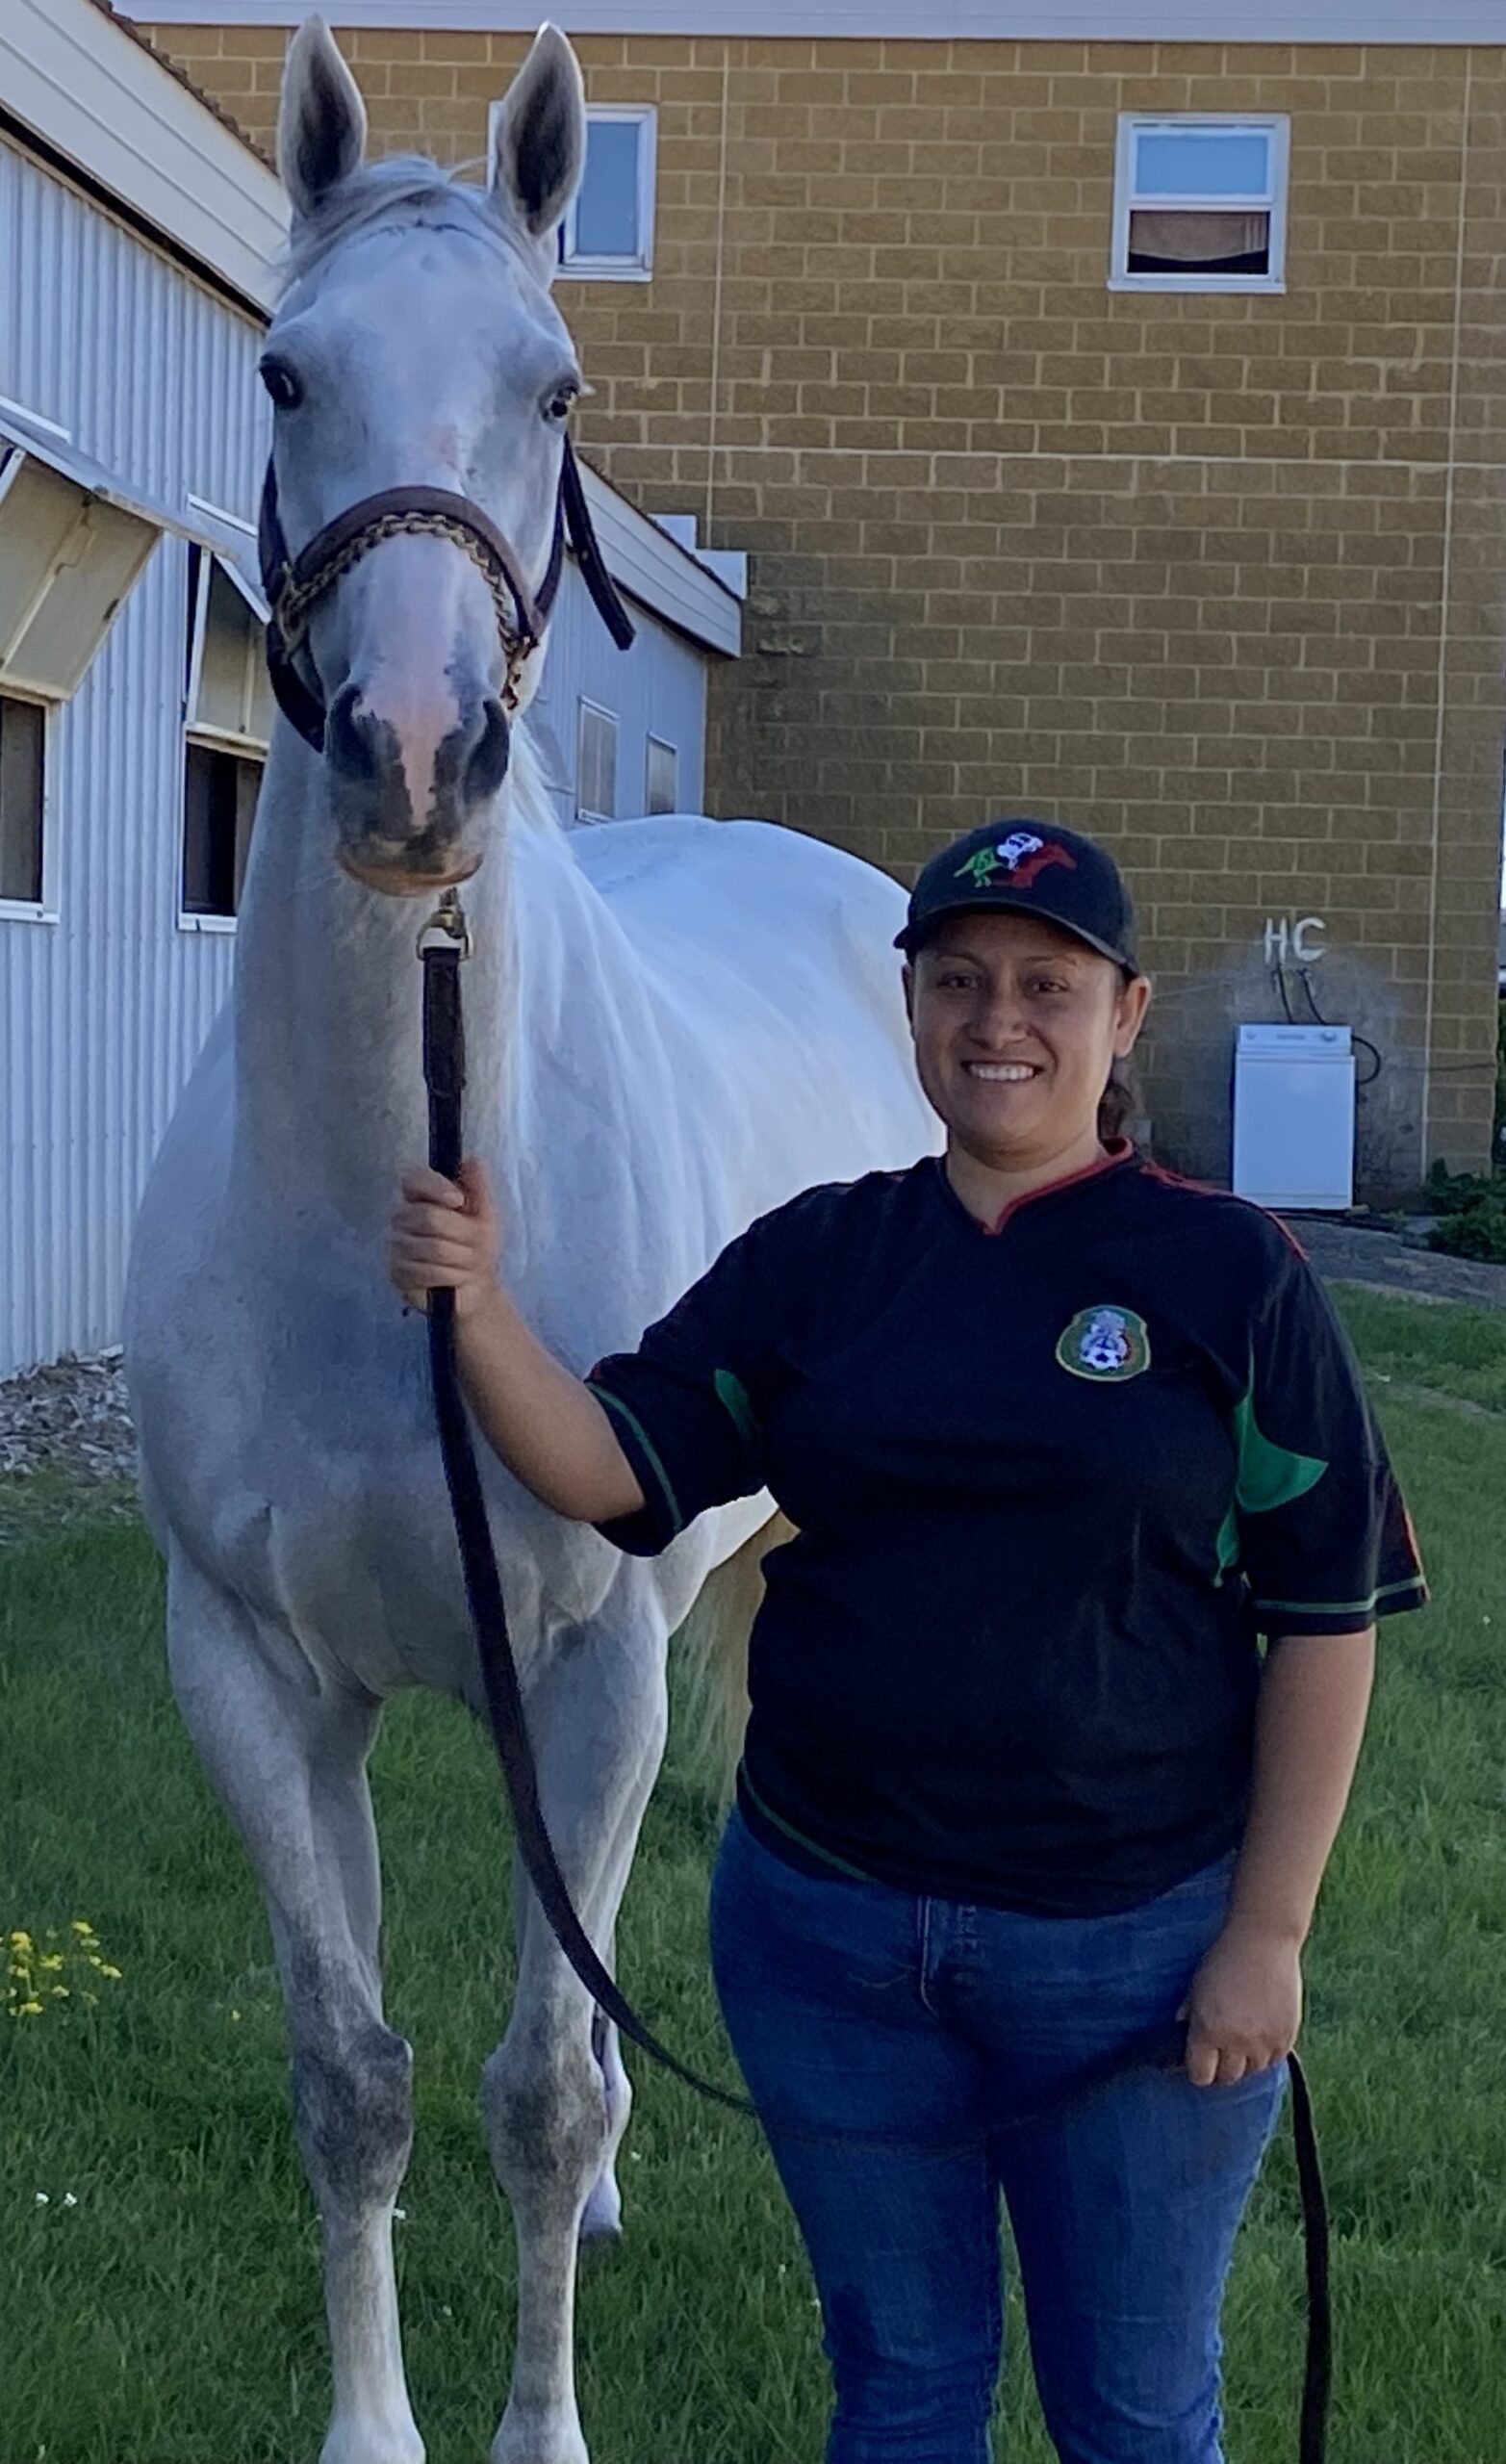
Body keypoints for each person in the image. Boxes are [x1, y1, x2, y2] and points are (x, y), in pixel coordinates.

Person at [388, 818, 1426, 2464]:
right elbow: (616, 1471)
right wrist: (476, 1304)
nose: (996, 1020)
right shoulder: (822, 1255)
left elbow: (1324, 1617)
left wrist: (1266, 1934)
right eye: (956, 981)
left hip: (1130, 1954)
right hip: (828, 1939)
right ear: (913, 1009)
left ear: (1124, 1015)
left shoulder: (1229, 1275)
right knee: (899, 2394)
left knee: (1134, 2413)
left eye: (1044, 985)